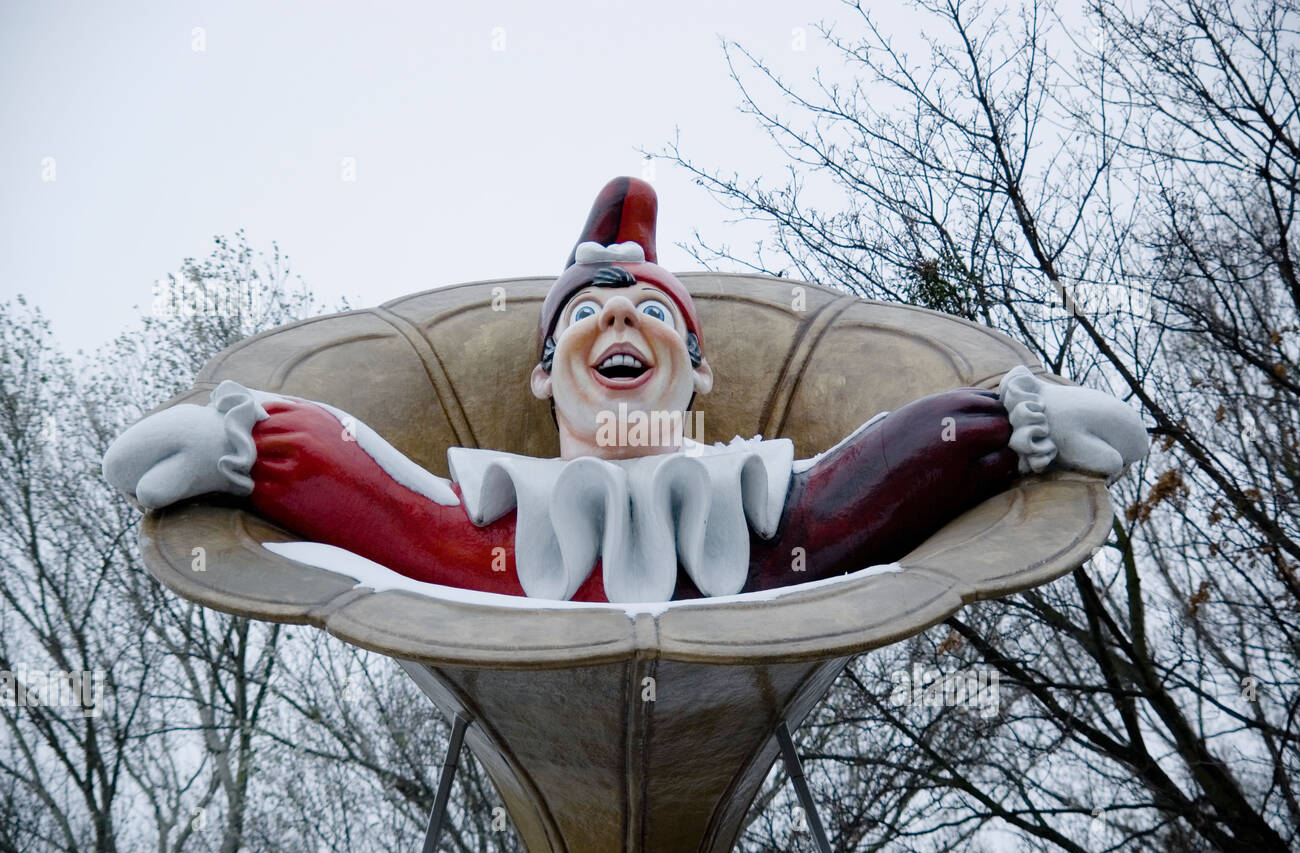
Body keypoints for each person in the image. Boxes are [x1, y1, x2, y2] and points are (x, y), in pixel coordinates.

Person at [103, 178, 1148, 603]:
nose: (618, 320)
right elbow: (393, 511)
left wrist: (1013, 428)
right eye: (586, 310)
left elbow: (859, 485)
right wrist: (248, 449)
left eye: (654, 312)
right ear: (538, 370)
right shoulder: (496, 525)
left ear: (698, 370)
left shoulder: (761, 511)